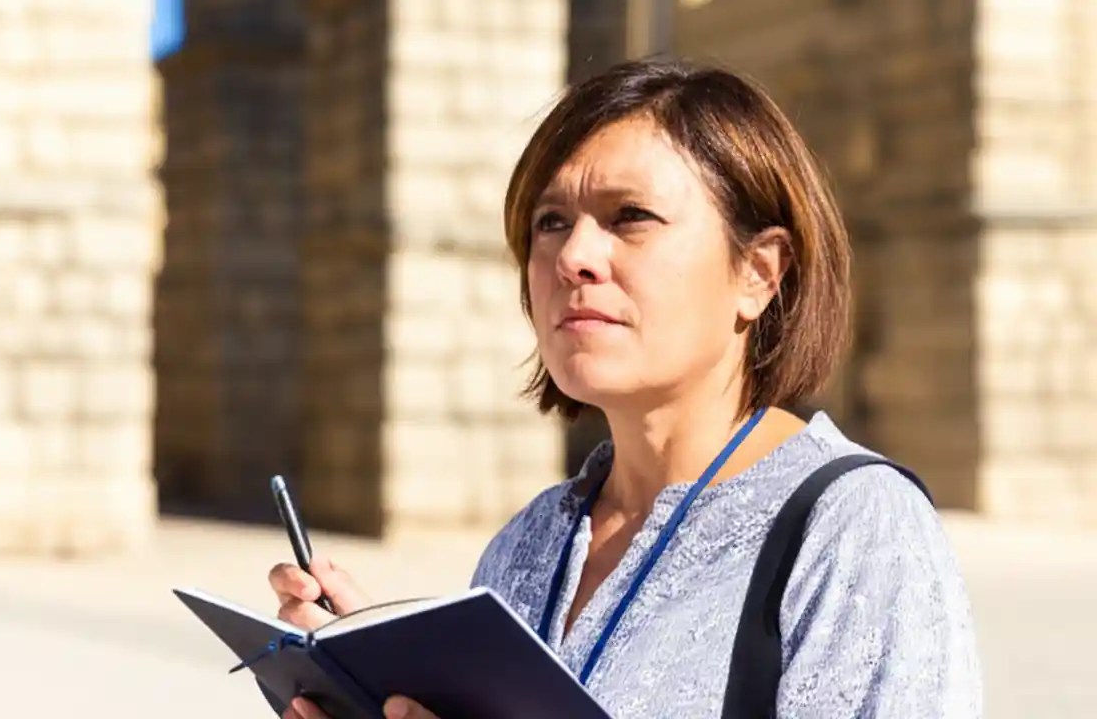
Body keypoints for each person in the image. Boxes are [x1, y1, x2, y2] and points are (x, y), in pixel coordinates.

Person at [268, 57, 982, 719]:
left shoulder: (852, 531)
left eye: (630, 218)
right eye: (550, 223)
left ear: (759, 273)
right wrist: (386, 674)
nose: (573, 256)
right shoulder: (529, 544)